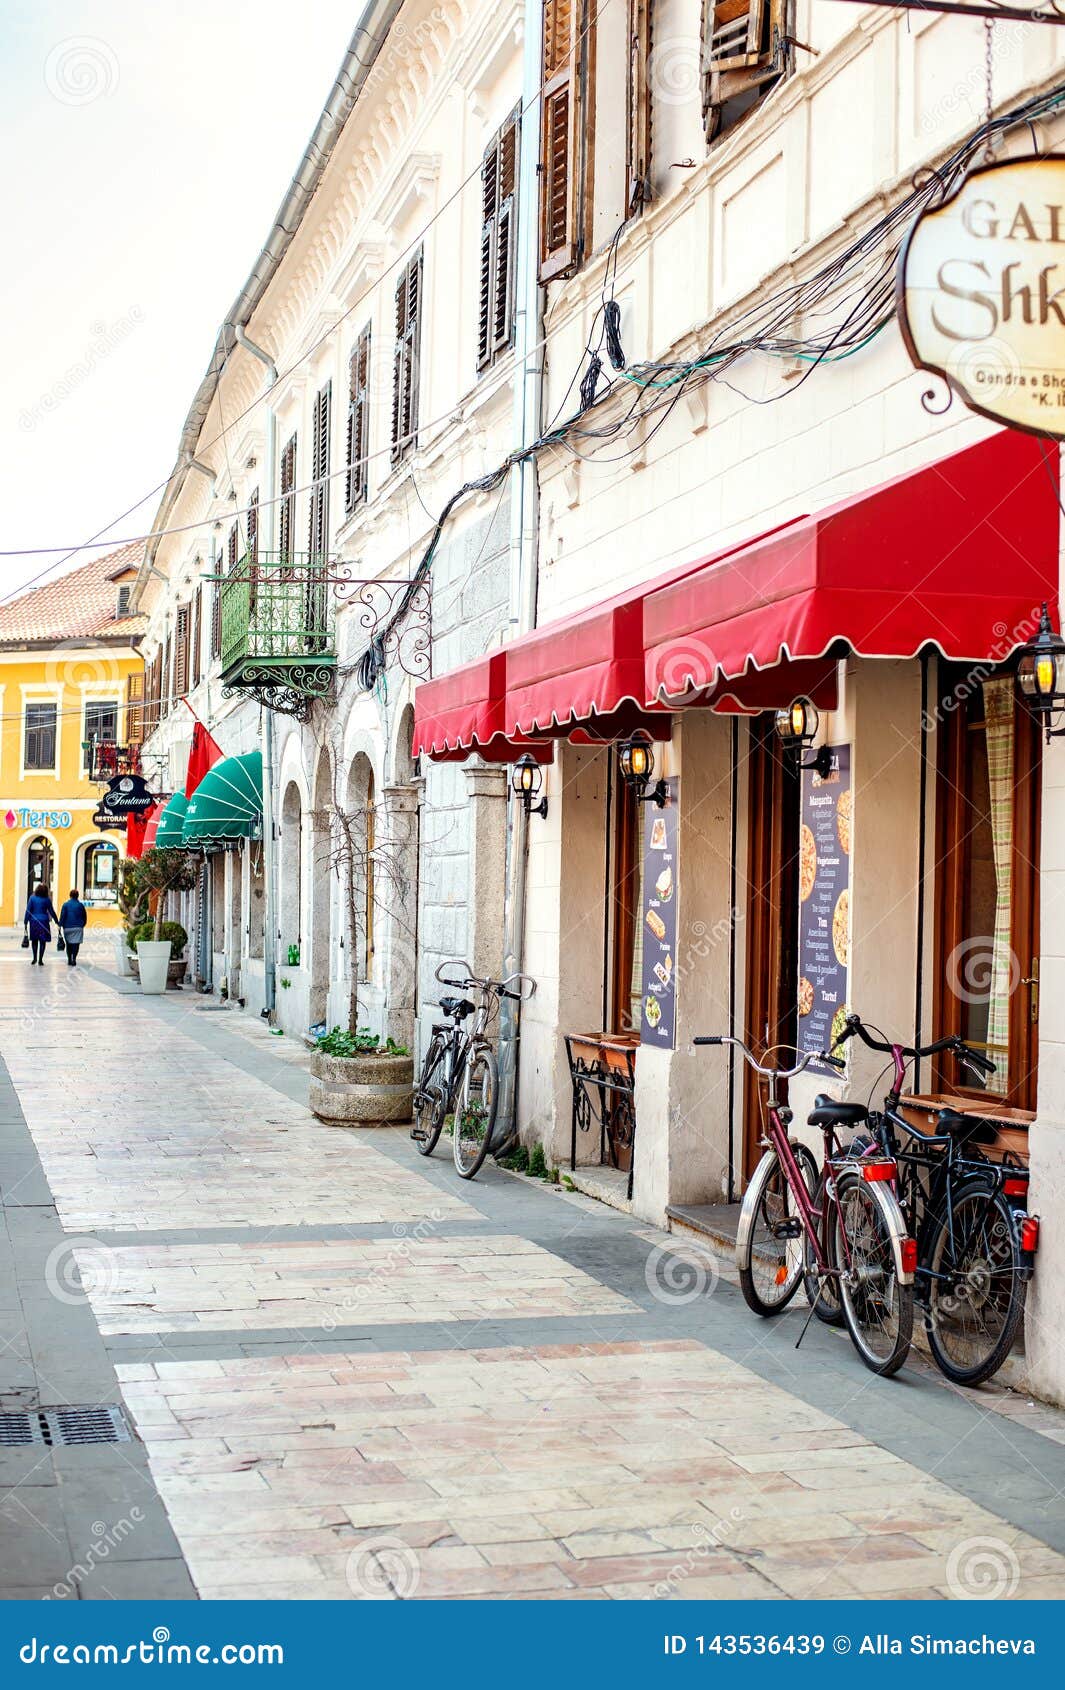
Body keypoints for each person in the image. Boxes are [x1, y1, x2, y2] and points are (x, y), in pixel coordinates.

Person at [23, 883, 59, 966]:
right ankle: (40, 960)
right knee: (42, 941)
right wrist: (57, 921)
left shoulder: (32, 898)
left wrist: (25, 921)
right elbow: (51, 911)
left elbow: (28, 910)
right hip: (44, 922)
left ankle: (34, 958)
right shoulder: (47, 899)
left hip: (34, 922)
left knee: (34, 940)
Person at [58, 888, 88, 967]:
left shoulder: (65, 905)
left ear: (70, 895)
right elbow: (84, 916)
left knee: (69, 944)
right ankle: (74, 958)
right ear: (77, 896)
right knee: (76, 944)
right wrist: (82, 925)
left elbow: (62, 916)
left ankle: (69, 959)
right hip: (78, 927)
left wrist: (60, 925)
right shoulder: (80, 905)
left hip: (67, 928)